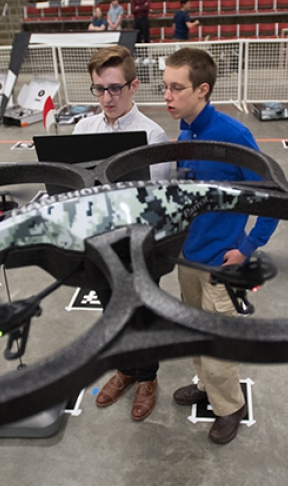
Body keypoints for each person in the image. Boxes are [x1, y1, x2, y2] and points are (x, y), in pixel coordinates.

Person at [163, 47, 278, 444]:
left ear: (203, 89)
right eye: (165, 87)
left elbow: (273, 197)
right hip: (187, 257)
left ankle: (229, 406)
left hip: (219, 262)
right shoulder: (185, 133)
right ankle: (207, 386)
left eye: (177, 88)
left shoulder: (233, 136)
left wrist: (246, 248)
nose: (168, 96)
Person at [84, 45, 173, 423]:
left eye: (115, 88)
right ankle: (124, 369)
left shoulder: (153, 137)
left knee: (142, 314)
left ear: (134, 86)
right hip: (99, 242)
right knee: (110, 311)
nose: (107, 98)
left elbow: (153, 202)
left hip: (139, 244)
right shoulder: (82, 129)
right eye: (99, 90)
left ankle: (148, 378)